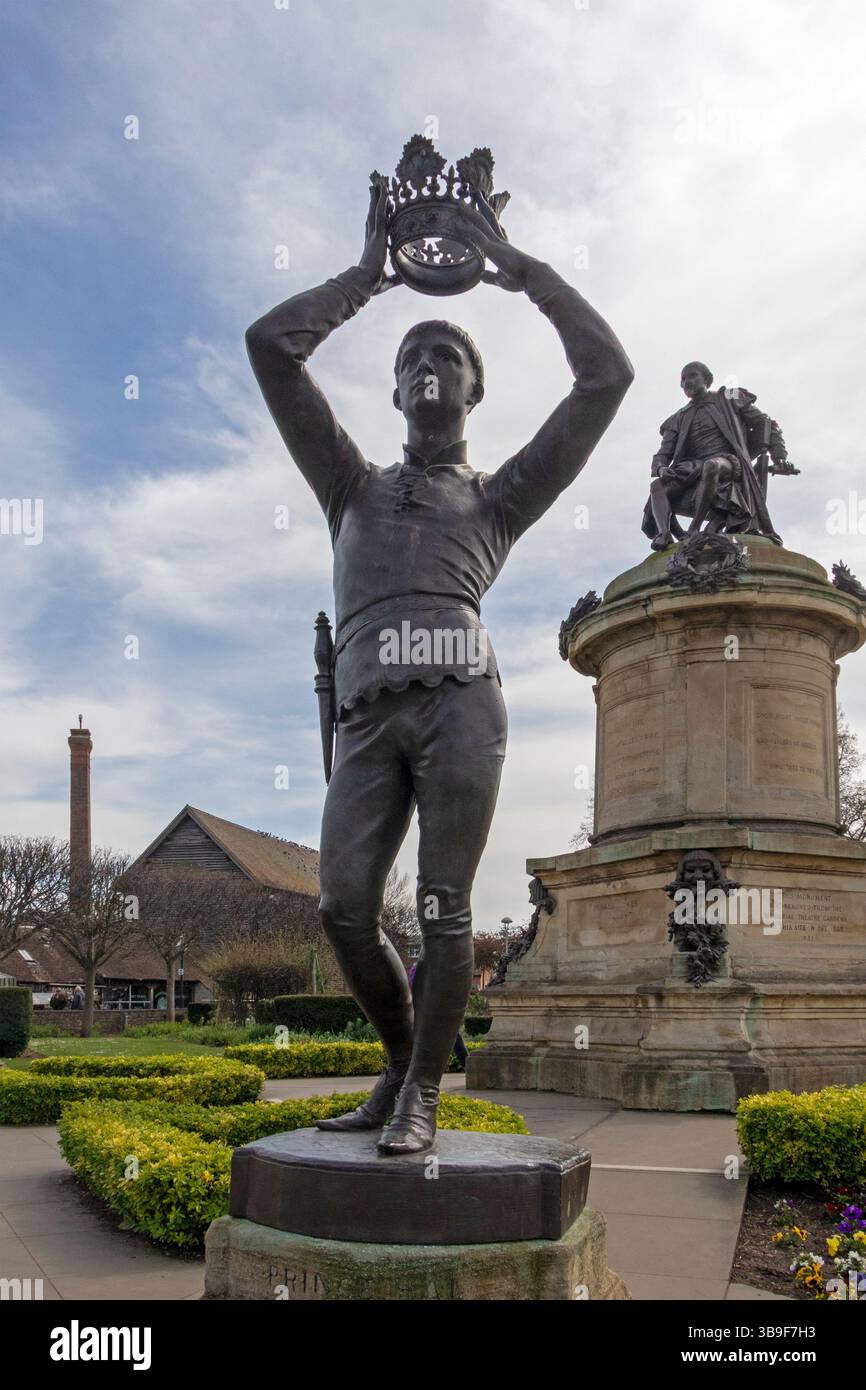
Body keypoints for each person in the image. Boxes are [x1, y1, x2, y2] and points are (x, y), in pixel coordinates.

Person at [246, 181, 633, 1154]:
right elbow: (270, 348)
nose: (429, 365)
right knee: (341, 906)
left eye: (447, 355)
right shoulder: (347, 485)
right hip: (368, 713)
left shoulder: (497, 499)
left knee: (442, 903)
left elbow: (604, 379)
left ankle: (421, 1088)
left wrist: (522, 274)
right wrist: (368, 275)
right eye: (413, 357)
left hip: (461, 701)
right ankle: (397, 1062)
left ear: (472, 389)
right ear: (392, 389)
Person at [641, 362, 794, 550]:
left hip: (729, 461)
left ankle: (695, 528)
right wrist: (661, 468)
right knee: (657, 486)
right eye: (683, 379)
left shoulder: (728, 398)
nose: (687, 382)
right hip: (693, 465)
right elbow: (663, 454)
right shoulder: (677, 419)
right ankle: (664, 534)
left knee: (711, 465)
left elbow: (765, 423)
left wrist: (779, 457)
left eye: (692, 376)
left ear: (707, 379)